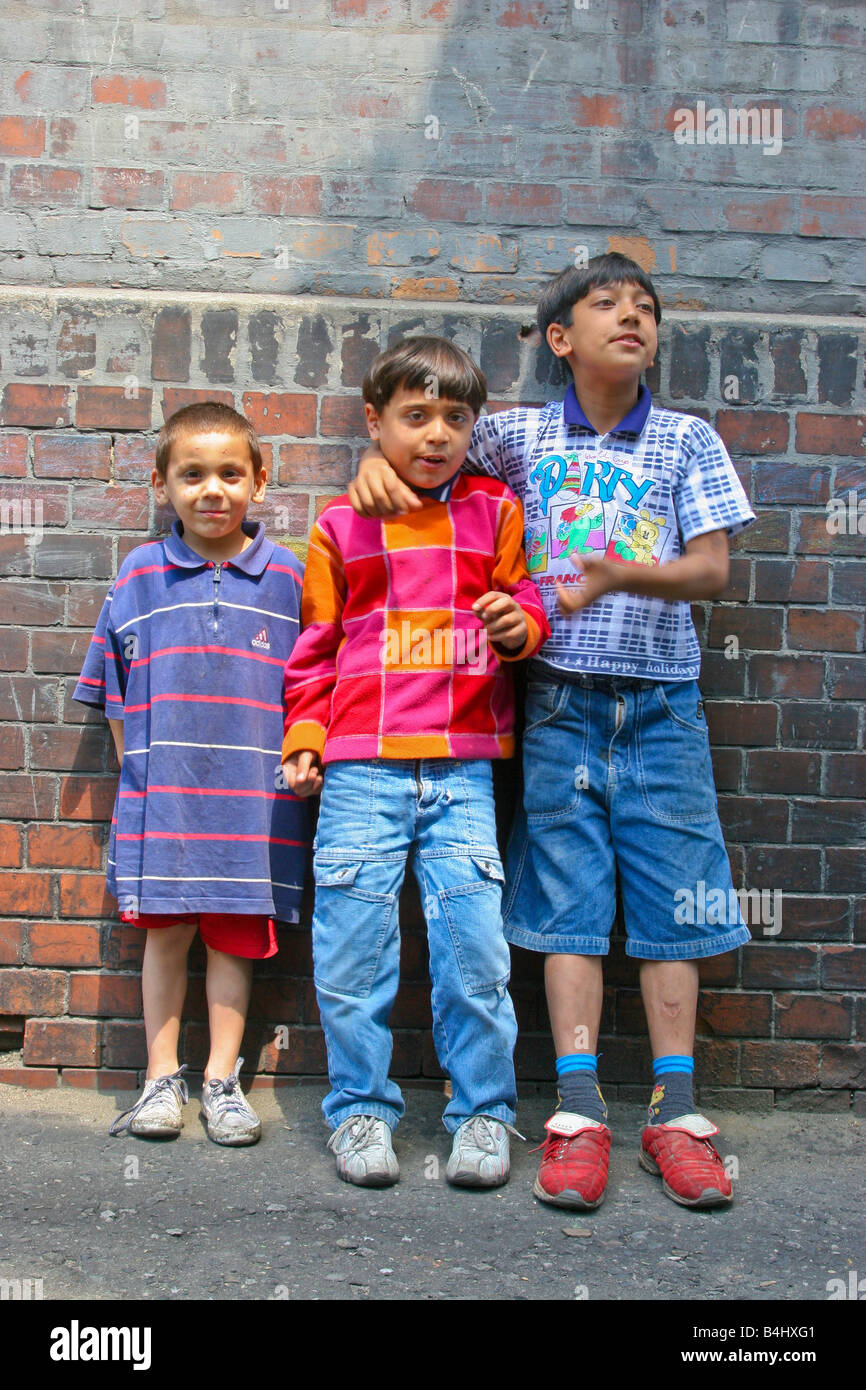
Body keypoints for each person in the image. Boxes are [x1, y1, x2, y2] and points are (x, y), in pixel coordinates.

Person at [348, 254, 756, 1210]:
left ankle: (675, 1108)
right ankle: (577, 1112)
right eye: (606, 304)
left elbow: (709, 573)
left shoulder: (687, 442)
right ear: (561, 339)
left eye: (647, 307)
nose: (632, 316)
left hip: (661, 706)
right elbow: (428, 455)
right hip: (558, 703)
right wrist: (372, 461)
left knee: (673, 899)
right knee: (568, 900)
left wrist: (615, 575)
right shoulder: (519, 435)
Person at [281, 336, 550, 1189]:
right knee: (354, 951)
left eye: (455, 418)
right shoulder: (339, 525)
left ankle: (482, 1114)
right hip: (361, 765)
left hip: (464, 765)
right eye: (415, 416)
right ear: (376, 421)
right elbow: (315, 649)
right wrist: (306, 738)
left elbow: (530, 593)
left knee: (475, 952)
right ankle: (360, 1111)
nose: (436, 434)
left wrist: (521, 623)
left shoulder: (497, 511)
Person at [74, 403, 310, 1145]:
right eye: (193, 475)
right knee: (166, 939)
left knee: (237, 944)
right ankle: (159, 1078)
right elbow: (110, 687)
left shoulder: (288, 579)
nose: (213, 490)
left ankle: (221, 1080)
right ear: (161, 485)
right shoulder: (140, 575)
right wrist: (137, 773)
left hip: (254, 809)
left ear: (260, 482)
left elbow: (310, 687)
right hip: (164, 805)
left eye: (230, 474)